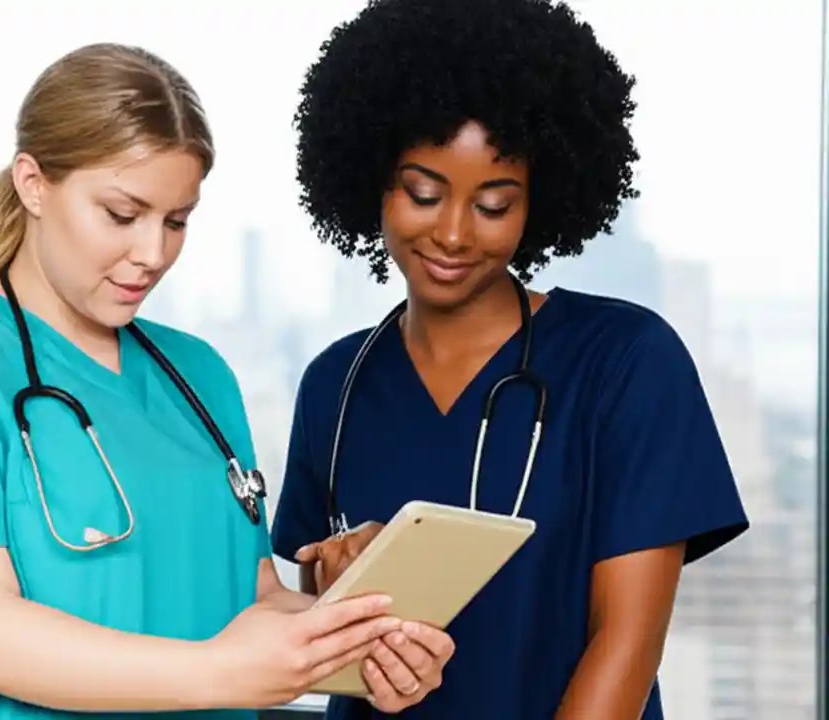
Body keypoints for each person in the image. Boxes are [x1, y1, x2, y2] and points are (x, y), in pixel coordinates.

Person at [0, 42, 455, 719]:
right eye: (122, 215)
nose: (152, 254)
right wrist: (223, 674)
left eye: (176, 221)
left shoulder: (198, 375)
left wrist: (369, 640)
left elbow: (252, 599)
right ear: (33, 183)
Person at [270, 1, 750, 718]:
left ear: (542, 205)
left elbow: (627, 639)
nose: (454, 234)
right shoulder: (335, 387)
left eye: (494, 205)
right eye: (424, 194)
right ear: (373, 179)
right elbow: (329, 641)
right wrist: (341, 589)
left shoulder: (625, 362)